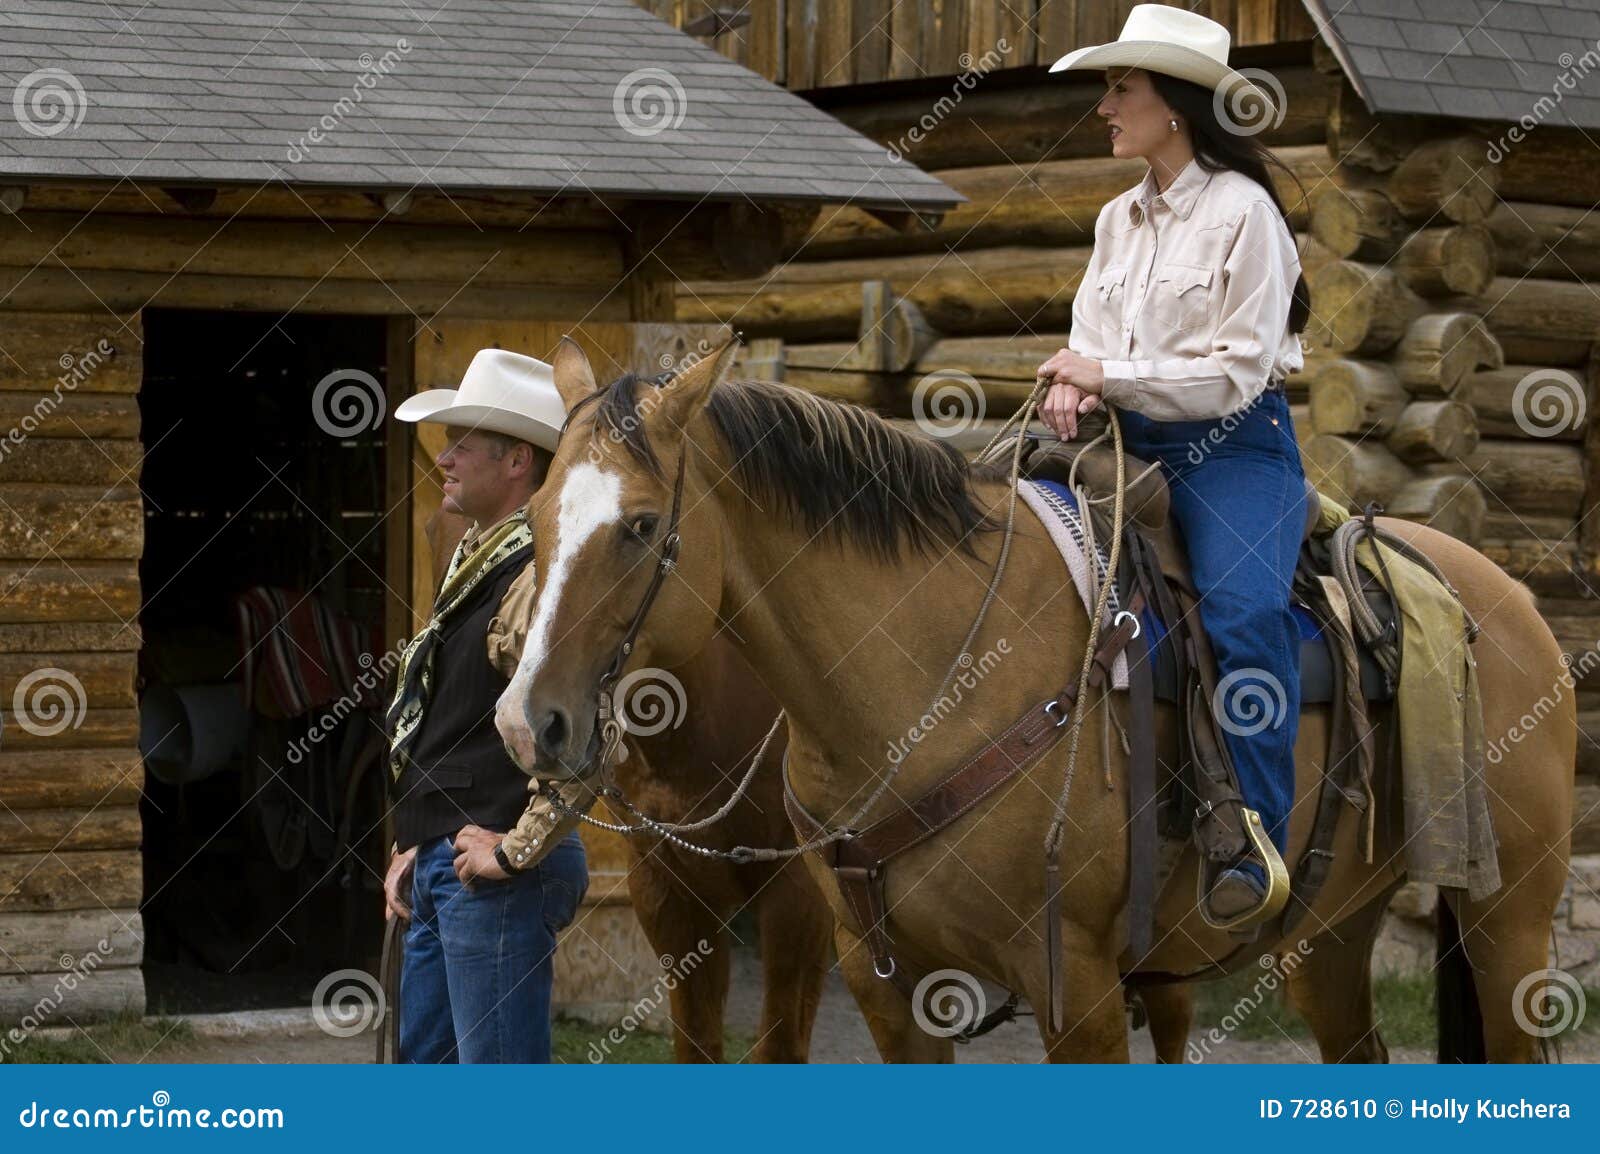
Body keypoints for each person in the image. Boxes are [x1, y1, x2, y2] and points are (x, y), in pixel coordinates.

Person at [1035, 5, 1311, 922]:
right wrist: (1074, 389)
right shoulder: (1117, 220)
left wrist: (1106, 374)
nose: (1106, 105)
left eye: (1123, 88)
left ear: (1177, 107)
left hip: (1233, 451)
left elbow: (1234, 374)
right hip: (1123, 445)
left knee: (1241, 613)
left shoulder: (1248, 217)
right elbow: (1089, 340)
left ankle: (1253, 837)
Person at [382, 348, 590, 1062]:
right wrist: (416, 837)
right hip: (447, 862)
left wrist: (517, 848)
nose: (443, 459)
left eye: (461, 445)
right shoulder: (480, 556)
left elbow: (595, 729)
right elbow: (452, 722)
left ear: (517, 464)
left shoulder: (540, 577)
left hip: (495, 876)